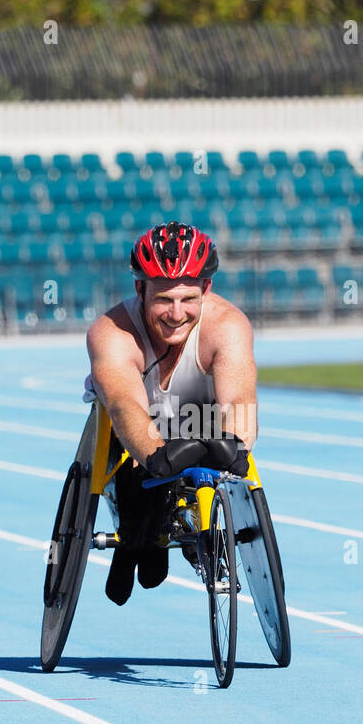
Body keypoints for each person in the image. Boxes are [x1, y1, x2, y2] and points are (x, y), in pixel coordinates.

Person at [84, 220, 257, 605]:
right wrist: (154, 456)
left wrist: (237, 446)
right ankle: (136, 526)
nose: (176, 314)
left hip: (199, 416)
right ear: (139, 289)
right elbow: (126, 405)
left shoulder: (227, 326)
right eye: (163, 299)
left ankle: (188, 520)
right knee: (138, 505)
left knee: (217, 438)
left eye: (187, 299)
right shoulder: (111, 332)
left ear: (206, 290)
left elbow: (238, 399)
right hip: (134, 435)